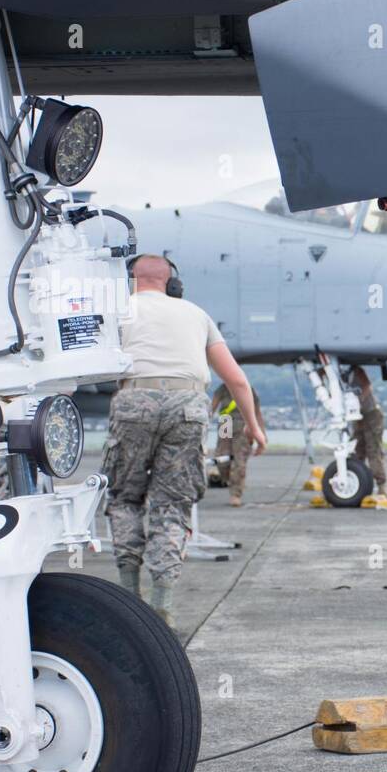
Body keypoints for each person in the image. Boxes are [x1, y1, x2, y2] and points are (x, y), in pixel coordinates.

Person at [104, 255, 266, 627]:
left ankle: (129, 601)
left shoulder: (117, 311)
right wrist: (254, 427)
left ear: (131, 281)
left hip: (134, 400)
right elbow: (237, 381)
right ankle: (163, 604)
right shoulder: (196, 314)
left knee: (125, 498)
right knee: (172, 505)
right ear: (172, 284)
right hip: (189, 406)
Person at [211, 380, 266, 507]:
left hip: (243, 424)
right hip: (226, 422)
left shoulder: (249, 389)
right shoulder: (222, 389)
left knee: (239, 461)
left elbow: (257, 412)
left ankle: (236, 494)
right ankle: (229, 479)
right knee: (221, 458)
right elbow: (212, 407)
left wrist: (261, 433)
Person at [350, 366, 387, 504]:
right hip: (358, 415)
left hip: (371, 413)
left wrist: (358, 401)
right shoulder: (340, 376)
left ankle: (381, 486)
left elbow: (367, 386)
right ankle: (358, 482)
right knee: (357, 450)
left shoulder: (356, 371)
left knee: (373, 450)